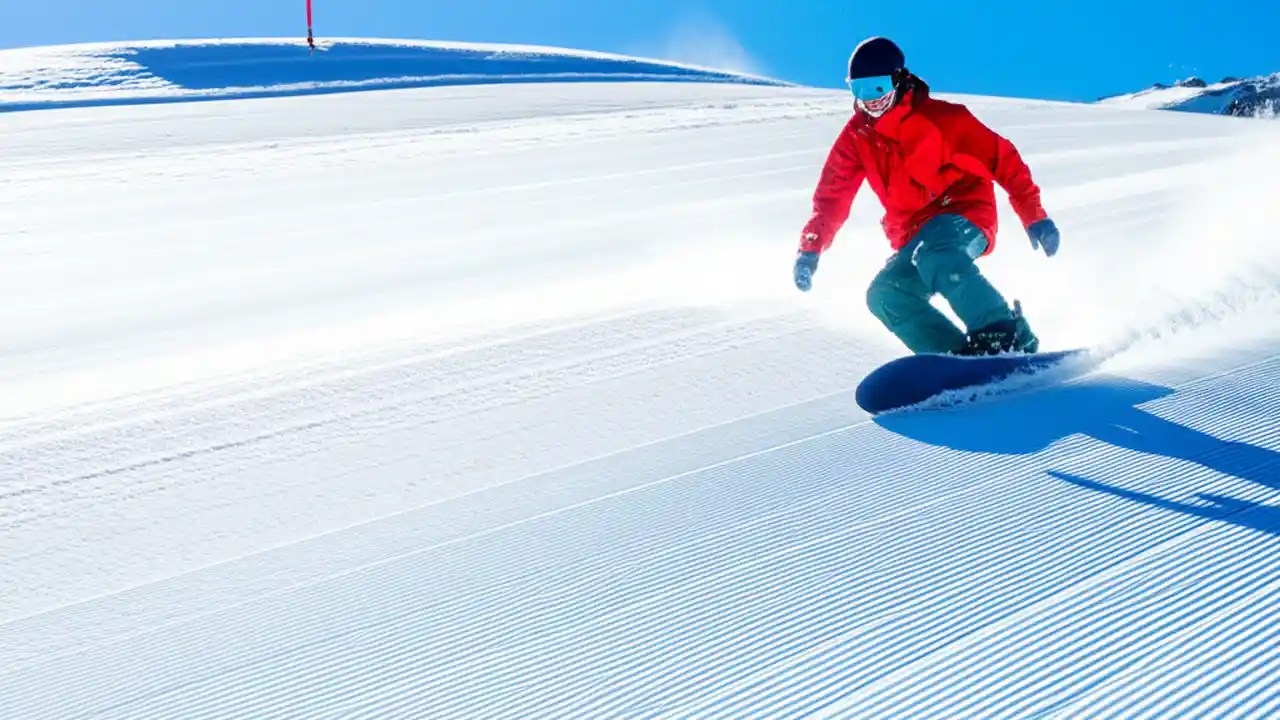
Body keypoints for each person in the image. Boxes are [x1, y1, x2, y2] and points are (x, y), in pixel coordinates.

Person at [793, 36, 1061, 356]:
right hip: (912, 233)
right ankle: (955, 356)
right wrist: (811, 247)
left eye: (877, 88)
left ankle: (1005, 335)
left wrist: (1035, 216)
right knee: (885, 294)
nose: (870, 100)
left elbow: (1003, 160)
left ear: (898, 79)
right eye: (859, 90)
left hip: (962, 212)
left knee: (937, 255)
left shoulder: (942, 120)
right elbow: (831, 196)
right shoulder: (857, 135)